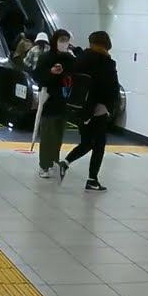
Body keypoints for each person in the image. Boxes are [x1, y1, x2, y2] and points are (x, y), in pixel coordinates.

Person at [59, 31, 120, 192]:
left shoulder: (81, 59)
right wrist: (110, 106)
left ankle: (65, 162)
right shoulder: (107, 63)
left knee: (87, 141)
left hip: (80, 109)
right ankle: (92, 180)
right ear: (106, 44)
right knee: (99, 145)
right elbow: (112, 88)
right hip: (98, 110)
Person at [32, 29, 78, 178]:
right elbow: (38, 76)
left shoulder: (70, 59)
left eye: (66, 40)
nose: (64, 43)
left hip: (64, 102)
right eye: (61, 40)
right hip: (49, 102)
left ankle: (53, 161)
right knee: (47, 135)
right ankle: (44, 165)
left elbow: (76, 75)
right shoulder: (46, 57)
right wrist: (51, 72)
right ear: (55, 40)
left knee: (58, 136)